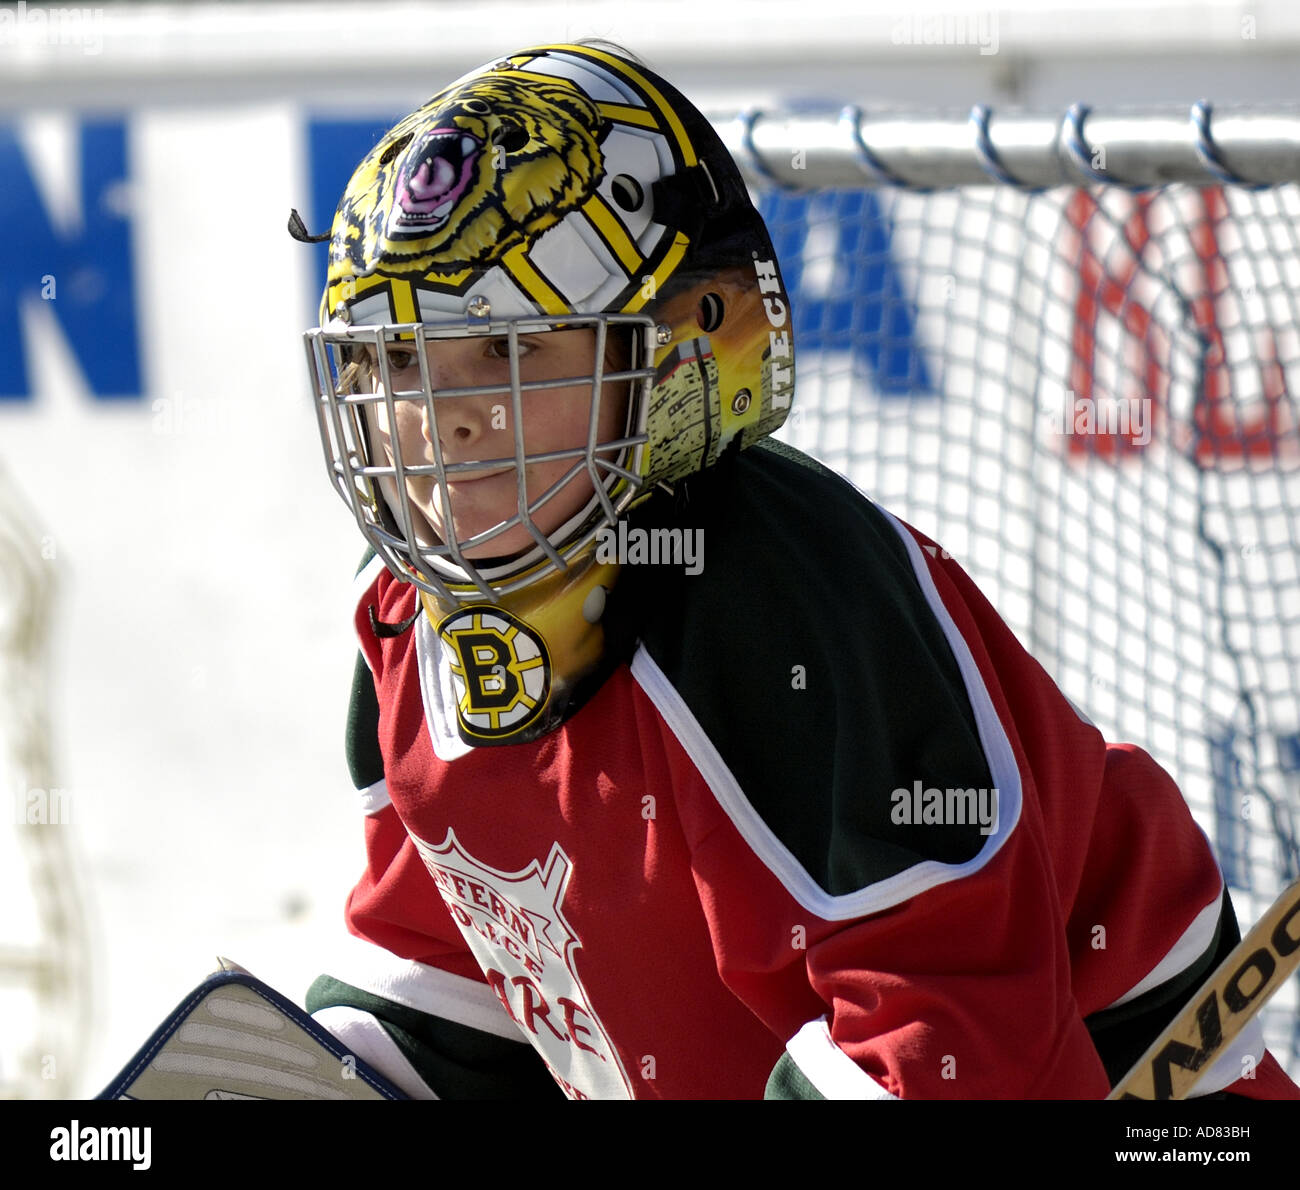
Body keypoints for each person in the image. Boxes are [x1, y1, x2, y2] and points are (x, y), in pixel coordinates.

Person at [295, 41, 1299, 1100]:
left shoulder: (775, 599)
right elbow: (460, 975)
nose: (445, 415)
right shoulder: (404, 615)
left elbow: (951, 1031)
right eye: (399, 356)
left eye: (510, 349)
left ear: (671, 349)